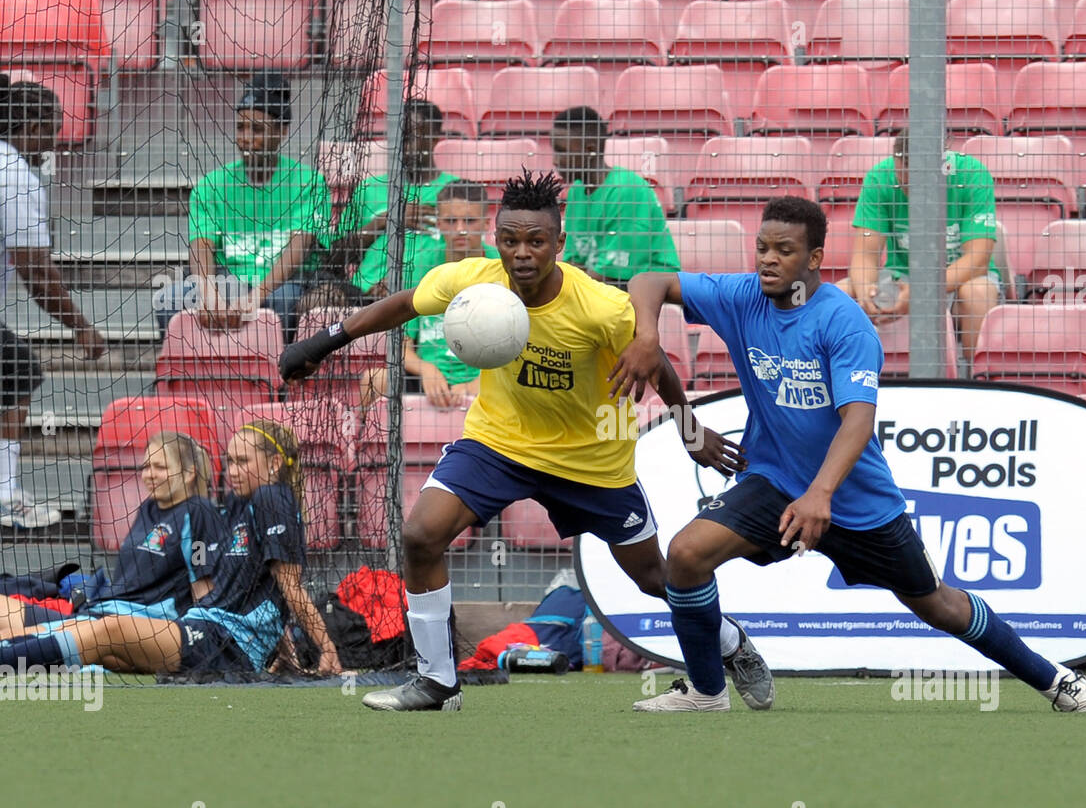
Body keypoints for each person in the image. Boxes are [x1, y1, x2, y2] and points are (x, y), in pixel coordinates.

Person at [281, 169, 768, 712]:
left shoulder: (602, 308)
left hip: (591, 463)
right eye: (510, 239)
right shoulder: (475, 281)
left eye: (536, 241)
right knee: (421, 534)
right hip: (500, 444)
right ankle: (437, 682)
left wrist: (690, 429)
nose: (522, 253)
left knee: (656, 579)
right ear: (497, 239)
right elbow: (404, 303)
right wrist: (324, 342)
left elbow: (658, 368)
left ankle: (730, 642)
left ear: (558, 243)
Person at [613, 196, 1086, 713]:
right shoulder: (741, 297)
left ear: (814, 259)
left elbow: (858, 420)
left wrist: (820, 495)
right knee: (686, 556)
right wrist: (650, 340)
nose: (767, 259)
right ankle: (707, 690)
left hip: (856, 504)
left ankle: (1055, 680)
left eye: (784, 250)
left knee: (938, 606)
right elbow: (650, 282)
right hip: (773, 482)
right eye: (762, 247)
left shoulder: (844, 323)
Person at [0, 420, 342, 676]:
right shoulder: (241, 504)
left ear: (274, 464)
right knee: (92, 636)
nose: (232, 470)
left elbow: (288, 587)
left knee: (104, 631)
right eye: (231, 461)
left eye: (243, 461)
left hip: (220, 640)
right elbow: (263, 590)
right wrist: (283, 650)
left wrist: (327, 651)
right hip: (204, 627)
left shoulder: (261, 500)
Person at [0, 74, 108, 529]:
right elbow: (38, 275)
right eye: (52, 125)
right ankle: (5, 496)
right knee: (18, 372)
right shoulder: (15, 175)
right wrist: (82, 326)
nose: (59, 136)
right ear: (29, 125)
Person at [154, 73, 332, 339]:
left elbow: (300, 245)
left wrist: (257, 296)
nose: (246, 138)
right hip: (231, 281)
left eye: (257, 129)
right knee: (169, 299)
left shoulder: (309, 183)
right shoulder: (211, 186)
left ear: (282, 131)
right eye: (240, 128)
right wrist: (209, 293)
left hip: (286, 282)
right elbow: (201, 244)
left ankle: (279, 378)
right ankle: (193, 379)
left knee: (284, 301)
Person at [0, 431, 225, 633]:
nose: (149, 474)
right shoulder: (149, 507)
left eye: (161, 467)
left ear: (189, 474)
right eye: (146, 466)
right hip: (103, 610)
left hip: (136, 626)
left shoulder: (198, 513)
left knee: (12, 628)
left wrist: (199, 639)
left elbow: (202, 583)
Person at [845, 128, 1004, 361]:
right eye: (904, 183)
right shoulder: (879, 178)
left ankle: (975, 381)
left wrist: (921, 293)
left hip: (963, 279)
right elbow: (865, 255)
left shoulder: (973, 175)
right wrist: (865, 292)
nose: (912, 193)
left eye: (921, 186)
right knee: (843, 293)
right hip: (901, 276)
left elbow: (978, 261)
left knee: (977, 293)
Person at [358, 180, 498, 409]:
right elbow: (401, 345)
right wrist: (427, 370)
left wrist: (482, 380)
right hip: (430, 379)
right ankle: (364, 445)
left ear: (485, 223)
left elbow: (520, 346)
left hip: (487, 378)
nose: (461, 229)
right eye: (451, 221)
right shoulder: (419, 265)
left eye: (470, 221)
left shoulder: (502, 267)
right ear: (440, 224)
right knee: (374, 381)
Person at [333, 100, 461, 299]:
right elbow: (338, 254)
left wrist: (402, 282)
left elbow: (466, 254)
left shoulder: (456, 192)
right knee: (317, 299)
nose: (402, 144)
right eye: (398, 136)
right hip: (366, 292)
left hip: (428, 294)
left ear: (434, 139)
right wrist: (387, 220)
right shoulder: (369, 188)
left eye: (412, 136)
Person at [551, 105, 680, 286]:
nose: (555, 160)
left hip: (647, 290)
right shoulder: (576, 192)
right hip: (600, 288)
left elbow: (614, 271)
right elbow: (574, 263)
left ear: (589, 150)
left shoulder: (627, 190)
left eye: (561, 151)